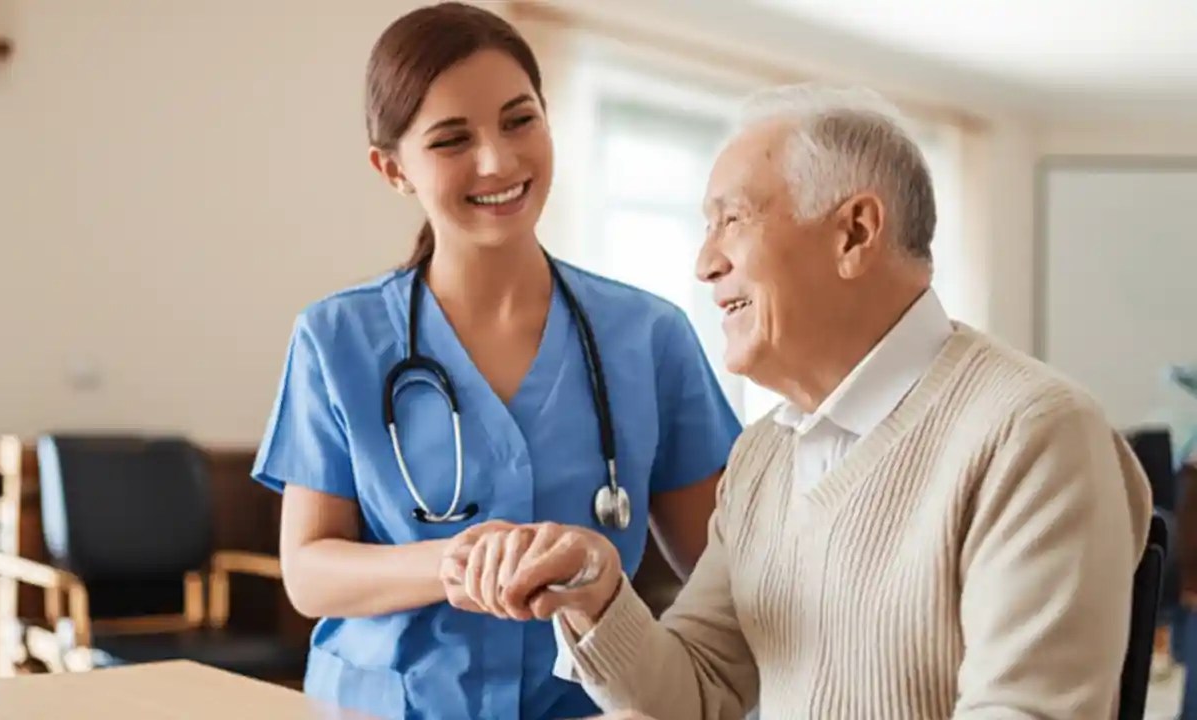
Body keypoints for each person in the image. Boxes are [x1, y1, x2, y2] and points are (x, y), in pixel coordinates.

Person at [450, 84, 1155, 719]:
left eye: (733, 220)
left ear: (854, 232)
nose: (704, 263)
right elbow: (698, 691)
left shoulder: (1033, 433)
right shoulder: (763, 458)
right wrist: (596, 596)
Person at [249, 3, 742, 719]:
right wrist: (452, 562)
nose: (499, 161)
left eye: (520, 121)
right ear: (393, 170)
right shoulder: (336, 338)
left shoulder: (649, 337)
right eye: (452, 140)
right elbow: (309, 571)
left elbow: (722, 577)